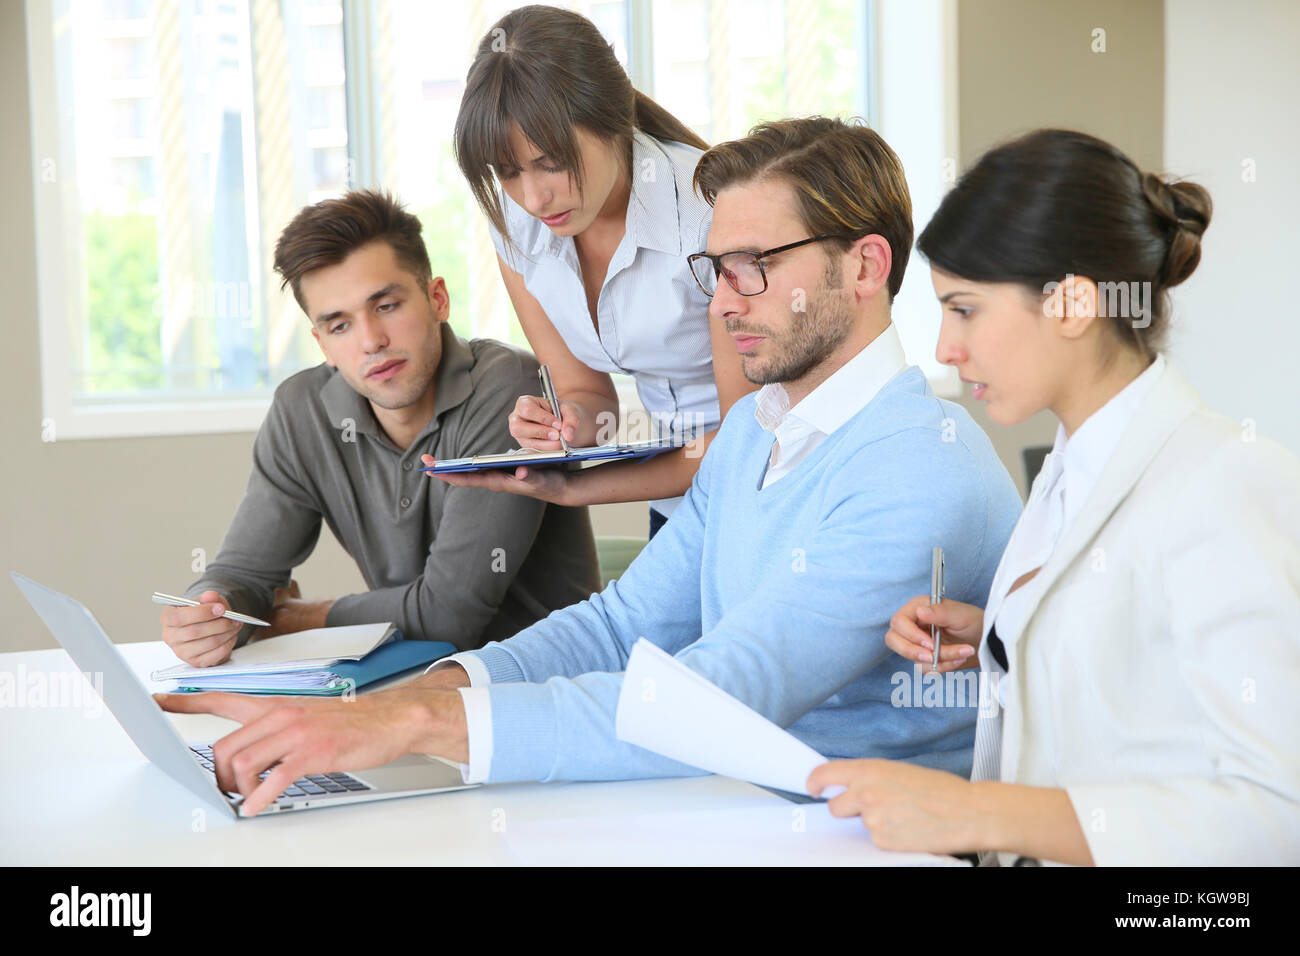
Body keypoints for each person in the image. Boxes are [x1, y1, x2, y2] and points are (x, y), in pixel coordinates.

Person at [156, 117, 1022, 816]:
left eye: (753, 267)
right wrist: (406, 697)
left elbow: (717, 696)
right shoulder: (758, 431)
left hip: (871, 841)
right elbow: (618, 626)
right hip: (747, 810)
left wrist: (414, 722)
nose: (722, 303)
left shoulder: (919, 467)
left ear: (865, 266)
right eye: (716, 269)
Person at [808, 129, 1300, 866]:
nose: (945, 346)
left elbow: (1276, 813)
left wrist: (977, 812)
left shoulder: (1226, 480)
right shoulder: (1072, 467)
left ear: (1072, 303)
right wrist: (1009, 636)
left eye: (965, 309)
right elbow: (1142, 676)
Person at [160, 189, 600, 667]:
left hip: (542, 685)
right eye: (339, 325)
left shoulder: (509, 389)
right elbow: (244, 572)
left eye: (386, 305)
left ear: (437, 299)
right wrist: (213, 611)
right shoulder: (300, 410)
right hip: (404, 681)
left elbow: (448, 616)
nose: (371, 341)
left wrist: (293, 618)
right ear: (321, 343)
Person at [445, 4, 755, 537]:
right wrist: (561, 426)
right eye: (509, 171)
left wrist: (576, 488)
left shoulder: (710, 217)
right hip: (678, 499)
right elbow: (584, 392)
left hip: (765, 484)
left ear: (613, 121)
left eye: (551, 163)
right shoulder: (516, 223)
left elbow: (743, 438)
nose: (534, 197)